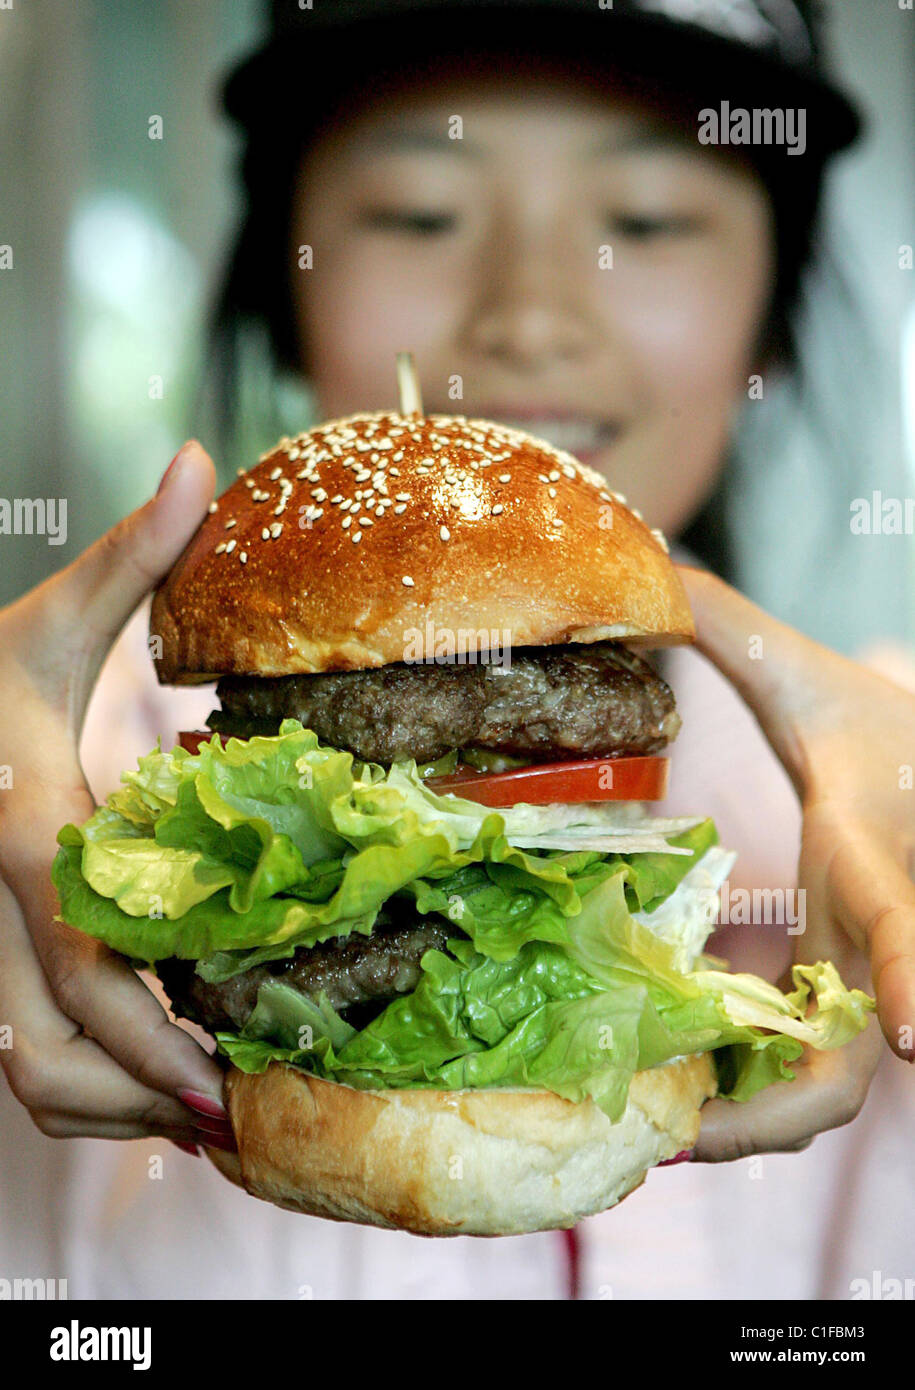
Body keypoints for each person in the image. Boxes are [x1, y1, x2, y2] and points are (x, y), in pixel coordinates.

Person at [0, 0, 912, 1300]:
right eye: (420, 213)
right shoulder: (71, 800)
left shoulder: (896, 790)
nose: (530, 316)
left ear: (771, 309)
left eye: (646, 220)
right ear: (279, 278)